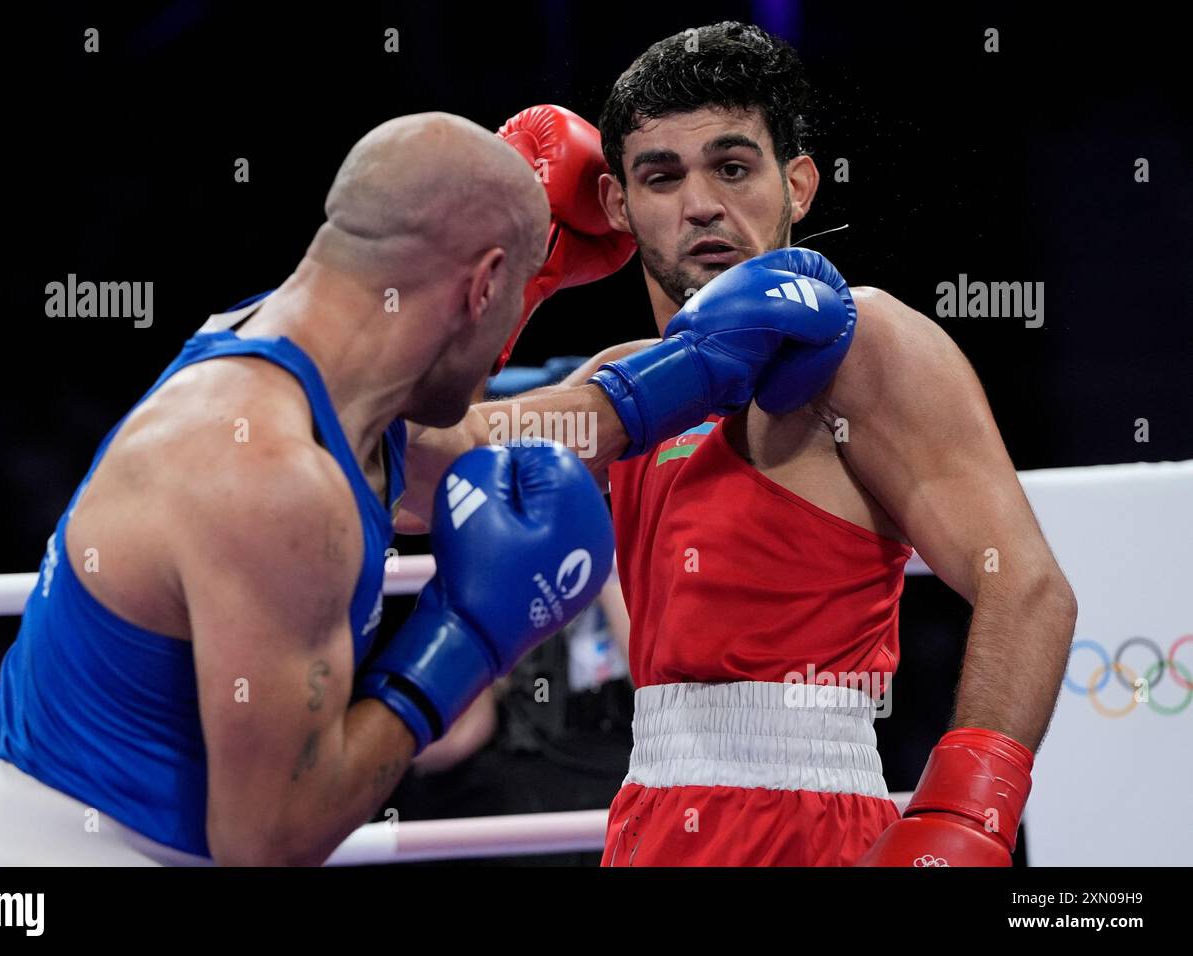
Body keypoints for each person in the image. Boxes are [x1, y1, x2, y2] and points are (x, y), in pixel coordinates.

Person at [406, 23, 1078, 866]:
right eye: (661, 175)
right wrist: (512, 288)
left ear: (797, 183)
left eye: (733, 167)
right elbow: (415, 480)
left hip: (815, 821)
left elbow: (1028, 589)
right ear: (615, 205)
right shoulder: (617, 378)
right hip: (648, 821)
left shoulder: (867, 344)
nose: (700, 204)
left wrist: (967, 814)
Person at [0, 112, 618, 867]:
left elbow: (501, 441)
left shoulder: (310, 372)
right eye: (512, 297)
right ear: (482, 286)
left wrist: (701, 364)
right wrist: (469, 639)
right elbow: (270, 842)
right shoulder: (269, 475)